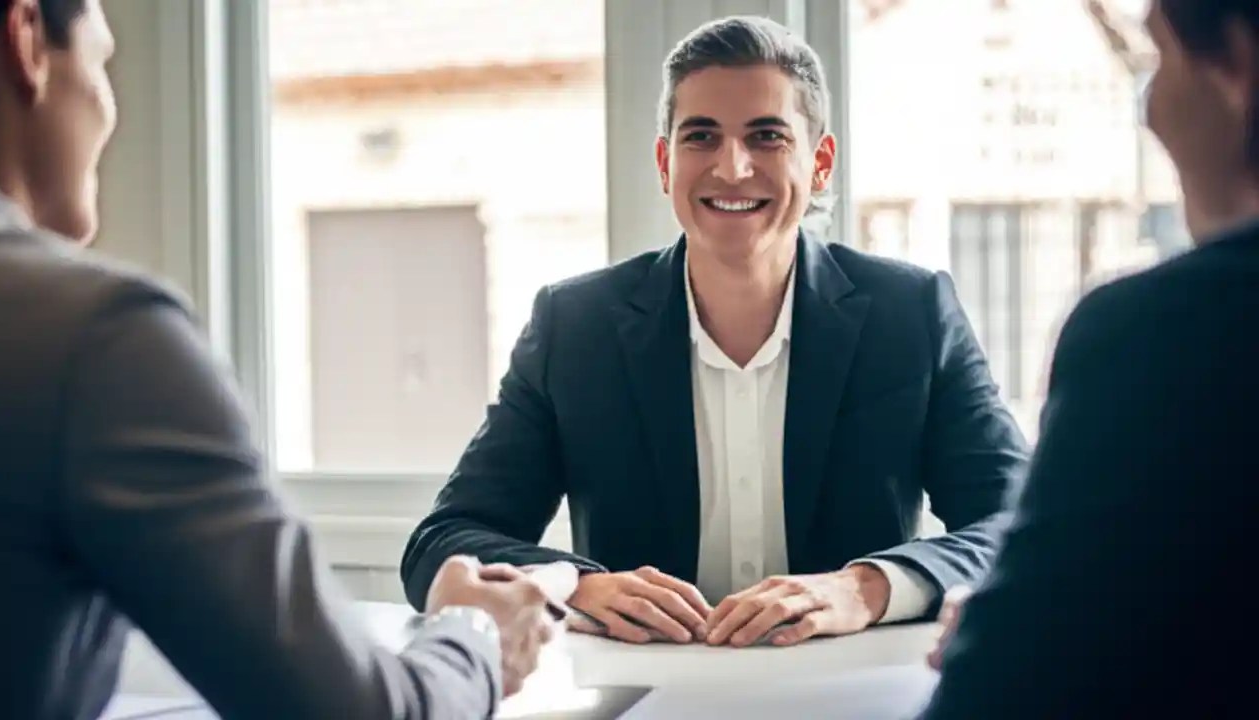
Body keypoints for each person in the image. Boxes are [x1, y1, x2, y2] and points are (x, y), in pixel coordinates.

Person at [0, 1, 556, 718]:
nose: (109, 109)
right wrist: (474, 634)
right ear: (28, 40)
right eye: (101, 63)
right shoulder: (96, 338)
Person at [402, 15, 1029, 649]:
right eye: (701, 136)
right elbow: (442, 541)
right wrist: (579, 587)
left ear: (819, 163)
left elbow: (1017, 524)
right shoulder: (575, 327)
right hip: (645, 696)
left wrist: (865, 588)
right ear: (664, 162)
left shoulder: (913, 313)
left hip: (852, 694)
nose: (732, 168)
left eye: (766, 137)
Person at [920, 0, 1259, 716]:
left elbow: (997, 699)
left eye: (1161, 61)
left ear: (1235, 63)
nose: (1151, 112)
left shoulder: (1161, 336)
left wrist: (1024, 631)